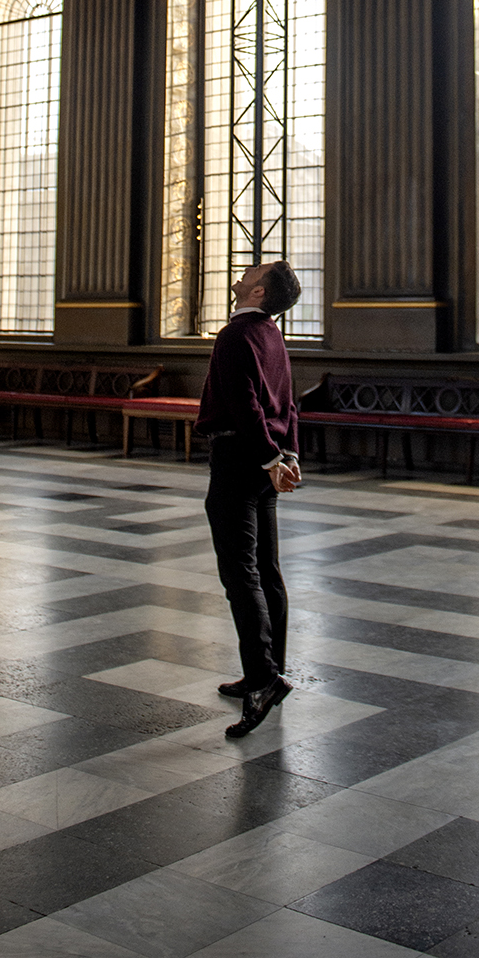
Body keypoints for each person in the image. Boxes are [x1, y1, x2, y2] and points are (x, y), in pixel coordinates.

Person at [195, 258, 303, 738]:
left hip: (241, 459)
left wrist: (266, 457)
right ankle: (271, 669)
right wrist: (287, 455)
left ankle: (262, 679)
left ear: (258, 294)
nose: (242, 274)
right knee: (266, 569)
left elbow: (244, 403)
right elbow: (289, 403)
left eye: (251, 273)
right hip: (266, 460)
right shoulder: (273, 336)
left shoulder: (235, 335)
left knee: (240, 573)